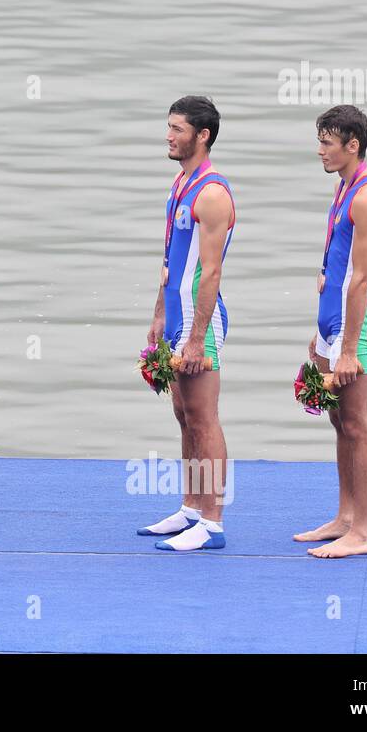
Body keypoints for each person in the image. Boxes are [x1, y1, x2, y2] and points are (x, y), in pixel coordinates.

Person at [295, 104, 367, 558]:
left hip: (357, 324)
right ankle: (345, 517)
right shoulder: (343, 189)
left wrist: (349, 349)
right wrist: (320, 338)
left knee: (358, 423)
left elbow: (360, 279)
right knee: (338, 421)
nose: (320, 152)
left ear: (353, 145)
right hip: (332, 322)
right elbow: (331, 267)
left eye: (327, 144)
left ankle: (365, 532)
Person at [140, 96, 234, 552]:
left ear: (203, 136)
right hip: (177, 314)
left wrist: (196, 338)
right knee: (184, 415)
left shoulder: (212, 193)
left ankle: (212, 522)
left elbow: (210, 272)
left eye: (178, 129)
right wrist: (159, 315)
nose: (168, 136)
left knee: (204, 417)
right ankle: (191, 508)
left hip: (202, 319)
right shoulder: (181, 184)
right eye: (168, 127)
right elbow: (169, 262)